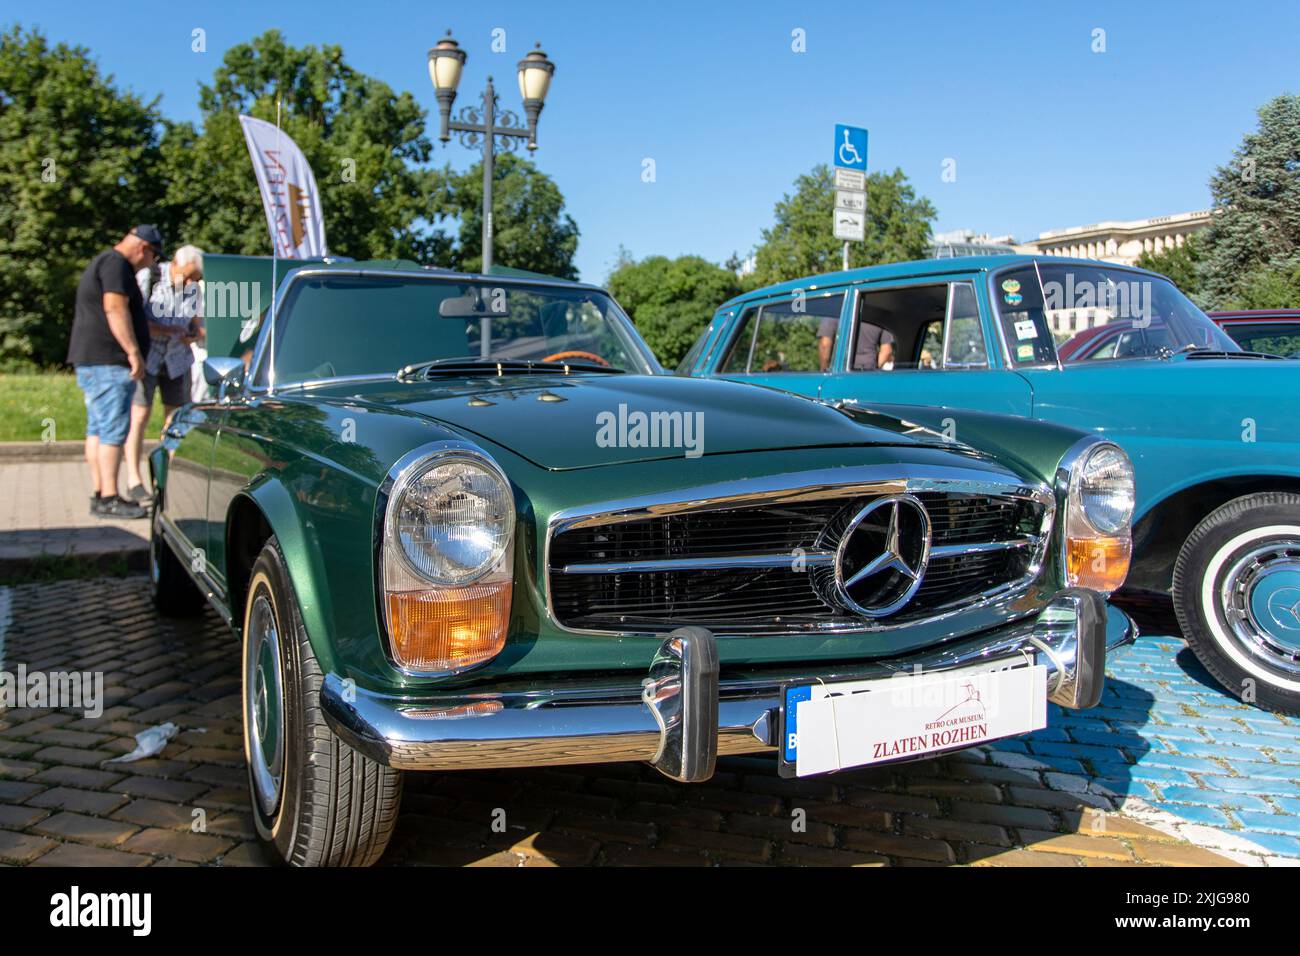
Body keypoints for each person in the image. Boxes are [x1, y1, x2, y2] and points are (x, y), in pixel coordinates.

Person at [66, 225, 164, 520]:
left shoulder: (104, 261)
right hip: (109, 360)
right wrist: (133, 351)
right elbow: (115, 307)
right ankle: (109, 496)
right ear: (144, 248)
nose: (151, 264)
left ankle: (100, 493)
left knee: (97, 428)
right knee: (112, 429)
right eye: (153, 257)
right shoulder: (117, 265)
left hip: (93, 360)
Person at [123, 245, 205, 500]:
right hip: (147, 357)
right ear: (175, 263)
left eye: (197, 279)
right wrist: (166, 330)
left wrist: (194, 333)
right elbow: (132, 317)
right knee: (139, 416)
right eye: (189, 275)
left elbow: (196, 322)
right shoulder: (148, 277)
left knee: (175, 419)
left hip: (177, 361)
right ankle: (134, 479)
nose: (191, 282)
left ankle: (165, 476)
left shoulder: (192, 289)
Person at [818, 315, 894, 371]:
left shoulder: (834, 314)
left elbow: (825, 345)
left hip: (840, 370)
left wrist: (824, 369)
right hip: (868, 370)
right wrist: (878, 368)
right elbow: (887, 350)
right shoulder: (879, 317)